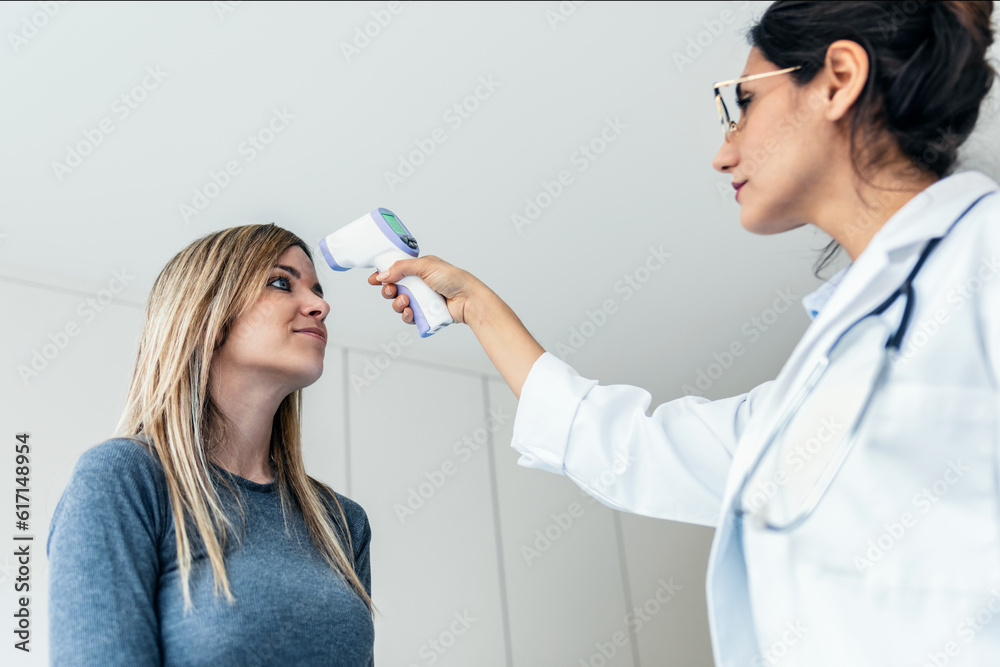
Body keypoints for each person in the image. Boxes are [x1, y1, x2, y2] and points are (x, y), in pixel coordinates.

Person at [369, 2, 1000, 665]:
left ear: (838, 80)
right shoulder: (811, 395)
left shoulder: (983, 254)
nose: (723, 154)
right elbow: (630, 449)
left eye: (744, 104)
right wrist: (476, 306)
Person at [47, 224, 375, 666]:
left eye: (317, 290)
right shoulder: (123, 480)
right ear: (207, 315)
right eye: (281, 283)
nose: (321, 305)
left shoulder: (342, 522)